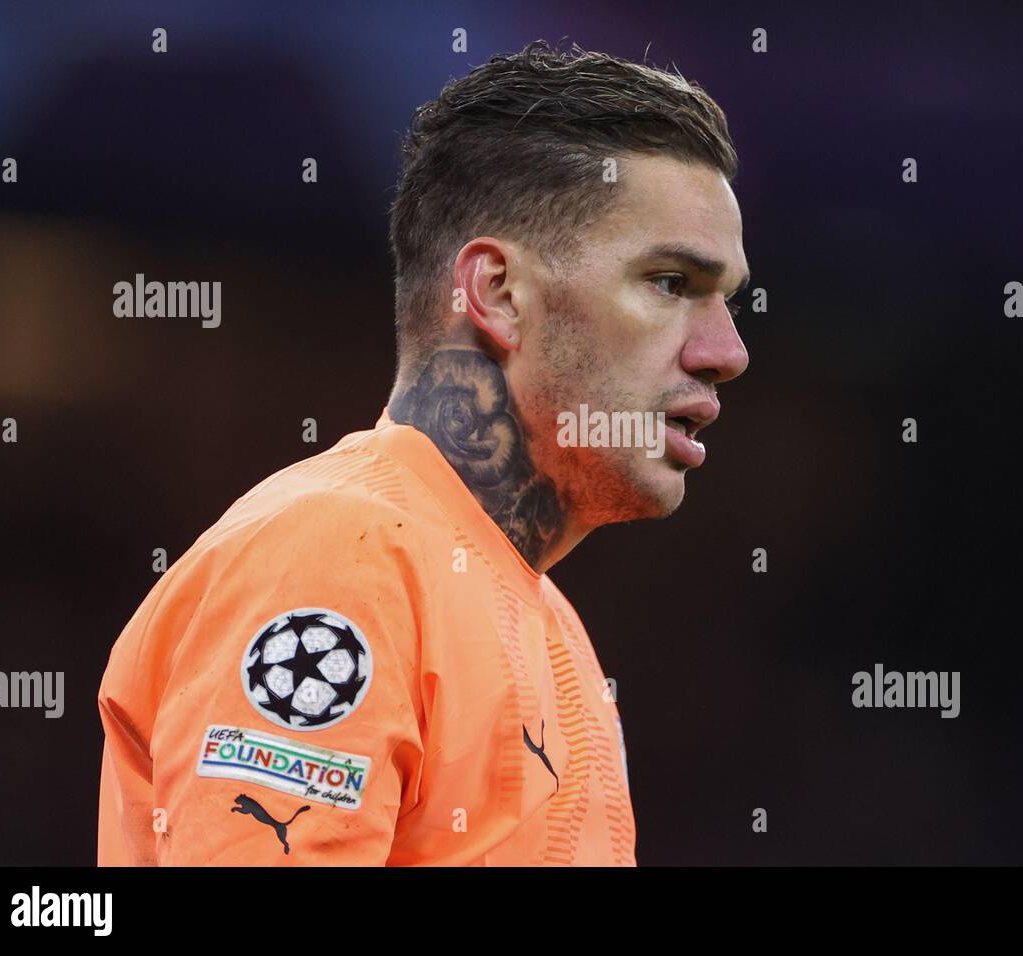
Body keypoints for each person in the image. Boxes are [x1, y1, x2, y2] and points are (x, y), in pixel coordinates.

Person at [97, 39, 749, 866]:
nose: (727, 351)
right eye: (670, 283)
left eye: (725, 299)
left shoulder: (552, 626)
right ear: (498, 294)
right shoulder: (338, 556)